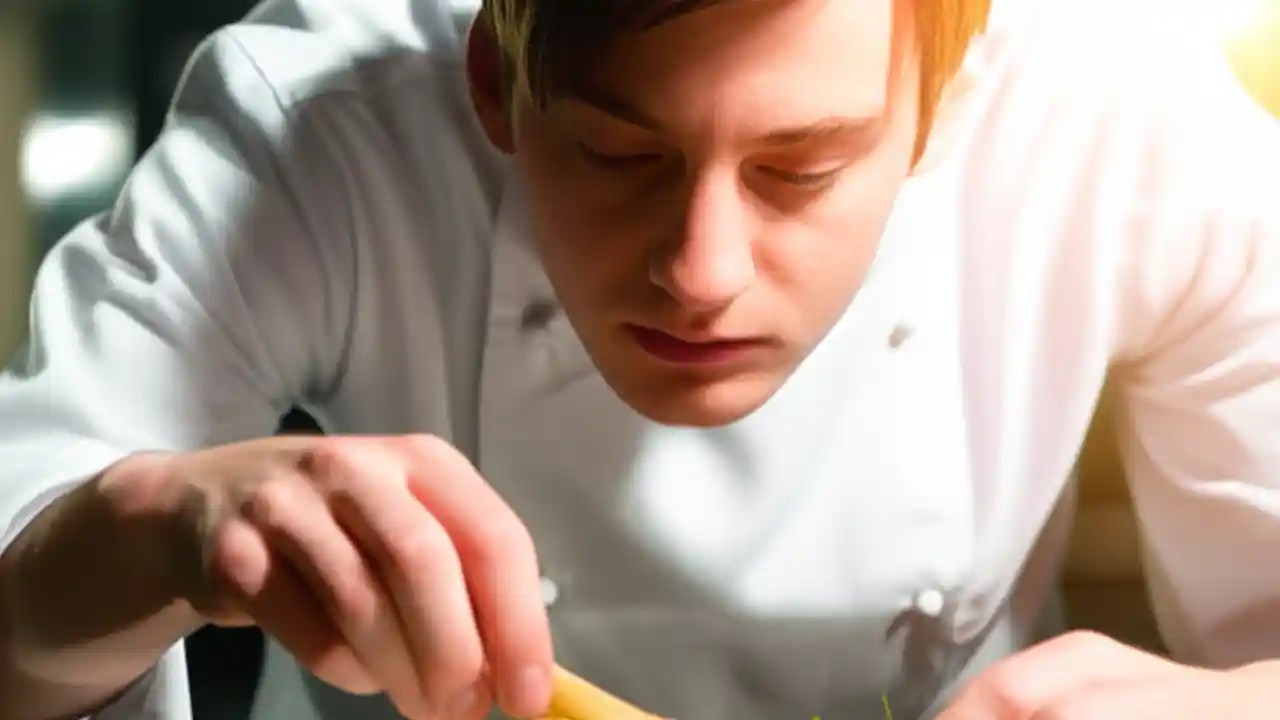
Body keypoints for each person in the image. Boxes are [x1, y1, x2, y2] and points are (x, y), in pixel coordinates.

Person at [1, 0, 1278, 717]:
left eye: (800, 169)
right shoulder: (325, 129)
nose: (700, 271)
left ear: (937, 106)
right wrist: (156, 527)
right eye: (619, 156)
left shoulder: (1124, 123)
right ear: (495, 84)